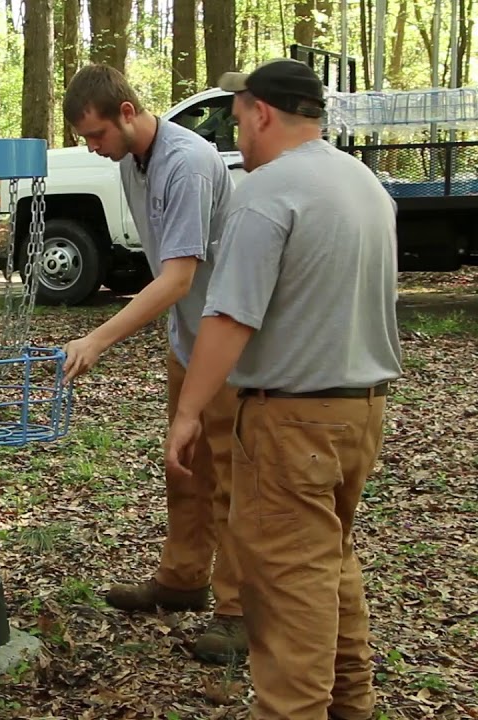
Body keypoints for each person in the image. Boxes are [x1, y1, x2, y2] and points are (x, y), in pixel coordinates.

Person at [166, 58, 403, 719]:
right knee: (329, 563)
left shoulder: (267, 193)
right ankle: (351, 703)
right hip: (361, 413)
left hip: (292, 424)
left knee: (285, 590)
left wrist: (188, 412)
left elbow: (229, 316)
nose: (236, 134)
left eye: (238, 118)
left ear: (262, 113)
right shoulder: (365, 185)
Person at [58, 64, 245, 663]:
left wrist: (97, 339)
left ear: (127, 112)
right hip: (188, 340)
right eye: (85, 138)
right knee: (184, 467)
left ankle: (239, 610)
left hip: (230, 344)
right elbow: (164, 270)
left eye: (97, 134)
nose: (93, 147)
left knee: (233, 480)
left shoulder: (186, 163)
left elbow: (179, 276)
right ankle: (183, 579)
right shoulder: (131, 163)